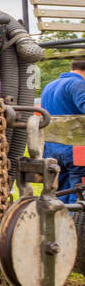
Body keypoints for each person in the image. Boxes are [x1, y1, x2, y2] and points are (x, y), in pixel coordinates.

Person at [39, 59, 85, 202]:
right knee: (78, 193)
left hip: (52, 148)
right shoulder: (78, 84)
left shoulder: (49, 86)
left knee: (60, 193)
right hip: (74, 150)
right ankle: (75, 223)